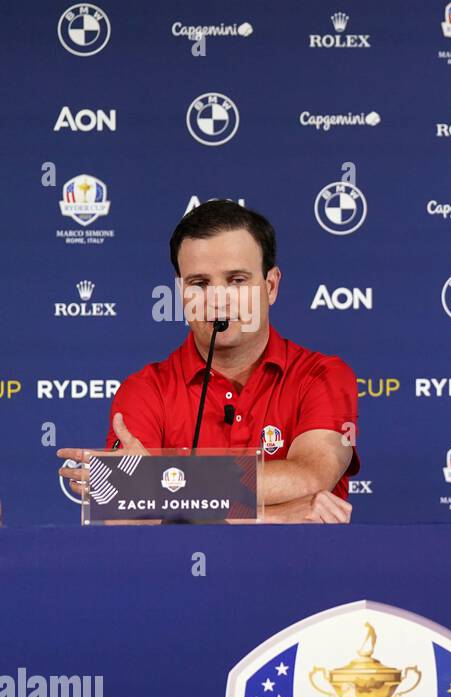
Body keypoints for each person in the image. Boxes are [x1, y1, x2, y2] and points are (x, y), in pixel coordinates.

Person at [57, 200, 359, 523]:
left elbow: (311, 476)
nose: (217, 299)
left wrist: (163, 484)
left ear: (270, 286)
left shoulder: (323, 375)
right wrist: (274, 516)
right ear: (180, 292)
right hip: (174, 573)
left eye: (236, 280)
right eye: (199, 284)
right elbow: (130, 519)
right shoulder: (144, 390)